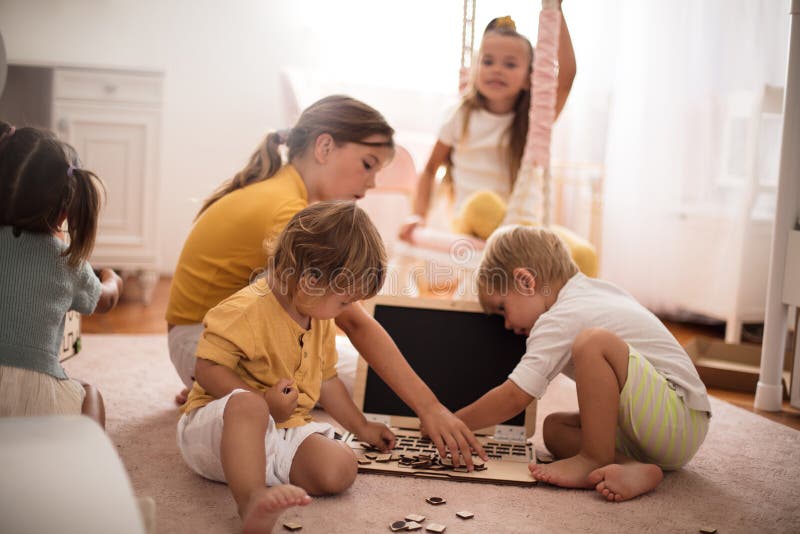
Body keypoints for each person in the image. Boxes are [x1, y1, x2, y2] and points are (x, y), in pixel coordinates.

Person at [166, 95, 488, 468]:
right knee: (366, 384)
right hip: (204, 346)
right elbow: (353, 321)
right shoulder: (287, 212)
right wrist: (428, 408)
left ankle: (220, 393)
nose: (370, 184)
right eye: (367, 166)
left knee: (333, 371)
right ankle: (216, 398)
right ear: (324, 146)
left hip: (206, 340)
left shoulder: (284, 192)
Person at [177, 201, 396, 532]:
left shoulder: (318, 316)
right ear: (309, 281)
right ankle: (251, 500)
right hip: (217, 431)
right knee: (247, 405)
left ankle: (258, 471)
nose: (346, 310)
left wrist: (363, 427)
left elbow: (328, 381)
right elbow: (206, 369)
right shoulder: (246, 309)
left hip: (279, 427)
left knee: (340, 467)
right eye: (344, 301)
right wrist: (262, 403)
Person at [455, 225, 711, 501]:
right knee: (554, 429)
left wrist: (454, 423)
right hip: (663, 428)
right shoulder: (590, 293)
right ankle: (631, 467)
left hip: (677, 417)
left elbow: (515, 397)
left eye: (502, 308)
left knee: (592, 343)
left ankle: (593, 457)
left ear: (525, 282)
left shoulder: (562, 316)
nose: (506, 325)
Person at [398, 12, 597, 276]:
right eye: (488, 61)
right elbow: (430, 169)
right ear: (475, 69)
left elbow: (567, 76)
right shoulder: (460, 115)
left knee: (583, 256)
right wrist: (419, 215)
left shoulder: (532, 122)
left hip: (521, 225)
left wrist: (555, 11)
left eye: (510, 64)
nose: (496, 70)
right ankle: (521, 251)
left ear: (530, 78)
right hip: (473, 217)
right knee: (485, 205)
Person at [0, 122, 123, 426]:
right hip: (36, 403)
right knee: (88, 391)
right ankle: (87, 453)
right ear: (65, 209)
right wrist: (112, 279)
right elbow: (104, 301)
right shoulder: (67, 261)